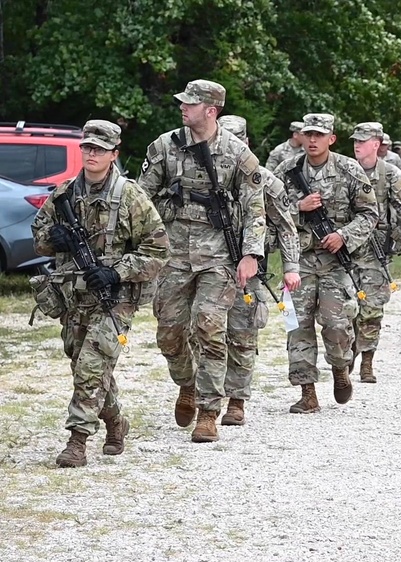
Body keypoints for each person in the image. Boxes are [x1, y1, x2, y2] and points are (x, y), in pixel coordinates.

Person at [32, 120, 168, 467]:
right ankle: (115, 421)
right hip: (73, 296)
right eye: (87, 148)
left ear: (114, 154)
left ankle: (77, 441)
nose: (92, 154)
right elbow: (40, 233)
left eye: (100, 149)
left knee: (92, 365)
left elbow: (157, 250)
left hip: (115, 298)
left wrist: (115, 271)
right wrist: (53, 239)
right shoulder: (64, 194)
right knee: (84, 364)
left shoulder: (131, 196)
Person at [138, 79, 267, 443]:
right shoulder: (165, 146)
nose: (183, 108)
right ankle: (187, 384)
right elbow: (141, 199)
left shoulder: (239, 154)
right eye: (182, 102)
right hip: (173, 255)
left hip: (218, 259)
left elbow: (256, 210)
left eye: (190, 104)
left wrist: (250, 254)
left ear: (211, 111)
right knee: (169, 332)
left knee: (209, 327)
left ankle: (209, 411)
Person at [273, 113, 378, 411]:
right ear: (303, 137)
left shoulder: (349, 170)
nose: (314, 140)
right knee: (297, 325)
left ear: (331, 138)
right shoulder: (287, 170)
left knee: (336, 323)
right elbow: (270, 212)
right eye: (309, 134)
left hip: (335, 262)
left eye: (320, 135)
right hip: (299, 261)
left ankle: (340, 368)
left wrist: (343, 236)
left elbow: (370, 213)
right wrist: (298, 208)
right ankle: (307, 392)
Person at [216, 115, 301, 425]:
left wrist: (291, 267)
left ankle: (236, 400)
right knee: (201, 334)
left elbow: (287, 226)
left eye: (237, 142)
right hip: (209, 266)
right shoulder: (203, 176)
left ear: (247, 144)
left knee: (241, 334)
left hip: (250, 272)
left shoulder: (265, 180)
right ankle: (201, 395)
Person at [349, 122, 401, 383]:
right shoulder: (345, 170)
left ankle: (366, 361)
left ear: (376, 144)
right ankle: (347, 356)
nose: (357, 145)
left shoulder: (391, 175)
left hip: (375, 252)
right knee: (345, 310)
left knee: (372, 309)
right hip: (344, 251)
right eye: (355, 141)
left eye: (362, 141)